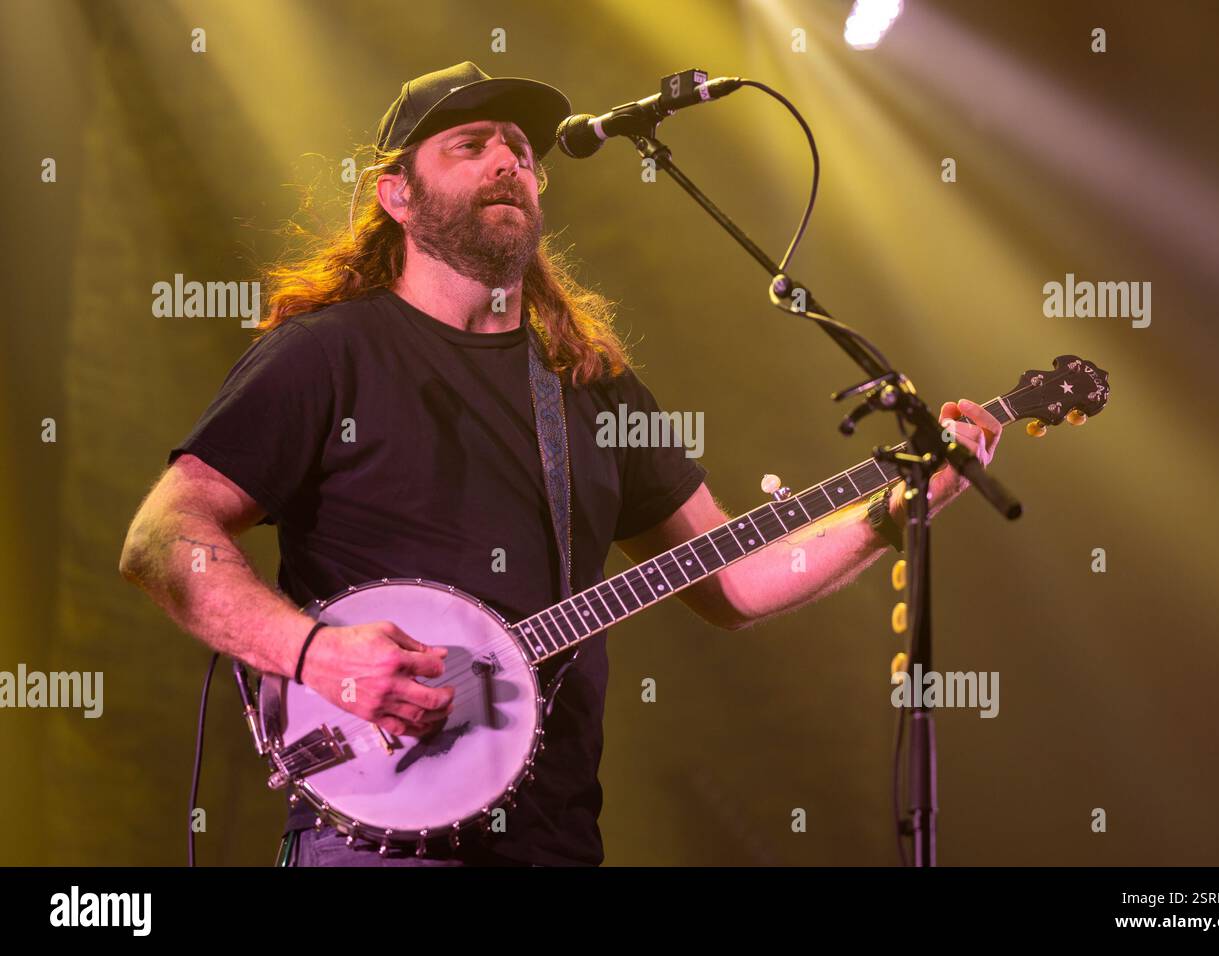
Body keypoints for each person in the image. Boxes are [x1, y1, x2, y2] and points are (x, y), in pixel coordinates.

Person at [118, 62, 1002, 867]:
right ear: (396, 194)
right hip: (373, 838)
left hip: (556, 836)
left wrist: (895, 509)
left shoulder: (589, 385)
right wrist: (313, 652)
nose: (509, 161)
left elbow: (732, 581)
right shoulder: (325, 356)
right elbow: (165, 536)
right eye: (472, 146)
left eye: (522, 152)